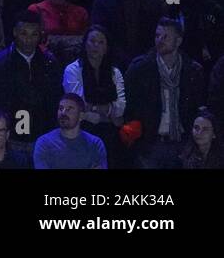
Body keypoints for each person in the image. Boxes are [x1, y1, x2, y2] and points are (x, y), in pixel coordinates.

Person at [125, 16, 207, 168]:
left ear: (178, 41)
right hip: (151, 144)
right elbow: (129, 107)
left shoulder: (193, 71)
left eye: (165, 36)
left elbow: (199, 108)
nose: (159, 40)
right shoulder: (140, 69)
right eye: (157, 36)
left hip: (184, 142)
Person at [0, 10, 64, 152]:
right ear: (15, 32)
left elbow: (55, 100)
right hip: (8, 140)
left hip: (43, 138)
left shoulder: (49, 63)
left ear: (40, 35)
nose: (28, 40)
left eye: (34, 34)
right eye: (24, 33)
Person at [62, 25, 127, 162]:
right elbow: (78, 104)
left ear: (106, 47)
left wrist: (93, 109)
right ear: (85, 44)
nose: (95, 46)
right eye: (92, 41)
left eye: (101, 42)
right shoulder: (73, 70)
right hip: (82, 132)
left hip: (110, 136)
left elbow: (121, 106)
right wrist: (108, 113)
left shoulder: (115, 72)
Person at [90, 0, 166, 70]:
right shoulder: (103, 0)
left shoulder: (156, 2)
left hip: (149, 63)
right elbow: (98, 33)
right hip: (110, 63)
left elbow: (162, 34)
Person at [34, 93, 108, 168]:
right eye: (61, 108)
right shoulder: (44, 143)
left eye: (69, 109)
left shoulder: (95, 144)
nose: (63, 113)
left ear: (81, 116)